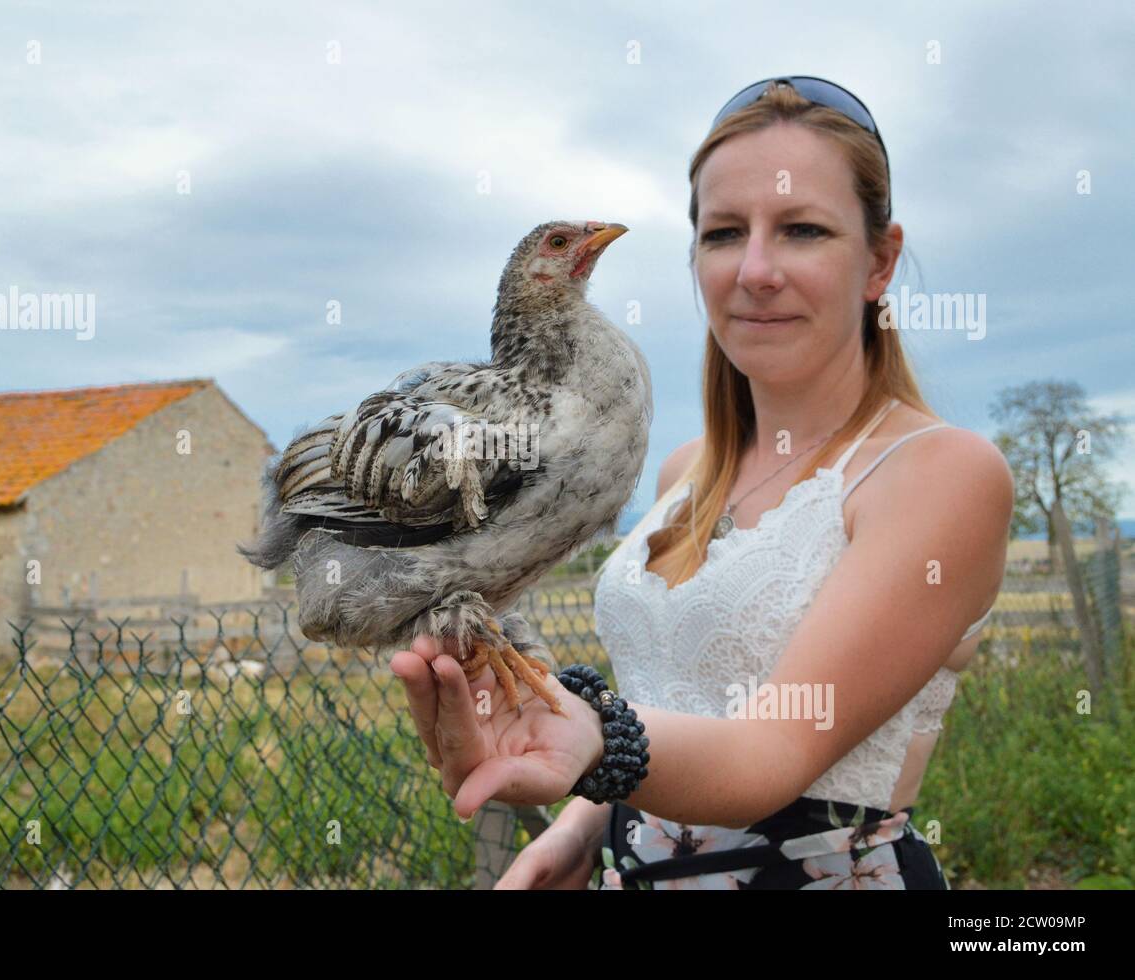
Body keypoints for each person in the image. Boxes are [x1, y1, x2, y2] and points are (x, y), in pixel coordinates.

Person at [390, 76, 1013, 890]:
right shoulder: (685, 472)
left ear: (879, 260)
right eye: (724, 233)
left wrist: (589, 743)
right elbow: (684, 702)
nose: (755, 270)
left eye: (802, 230)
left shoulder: (941, 475)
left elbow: (771, 752)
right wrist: (583, 828)